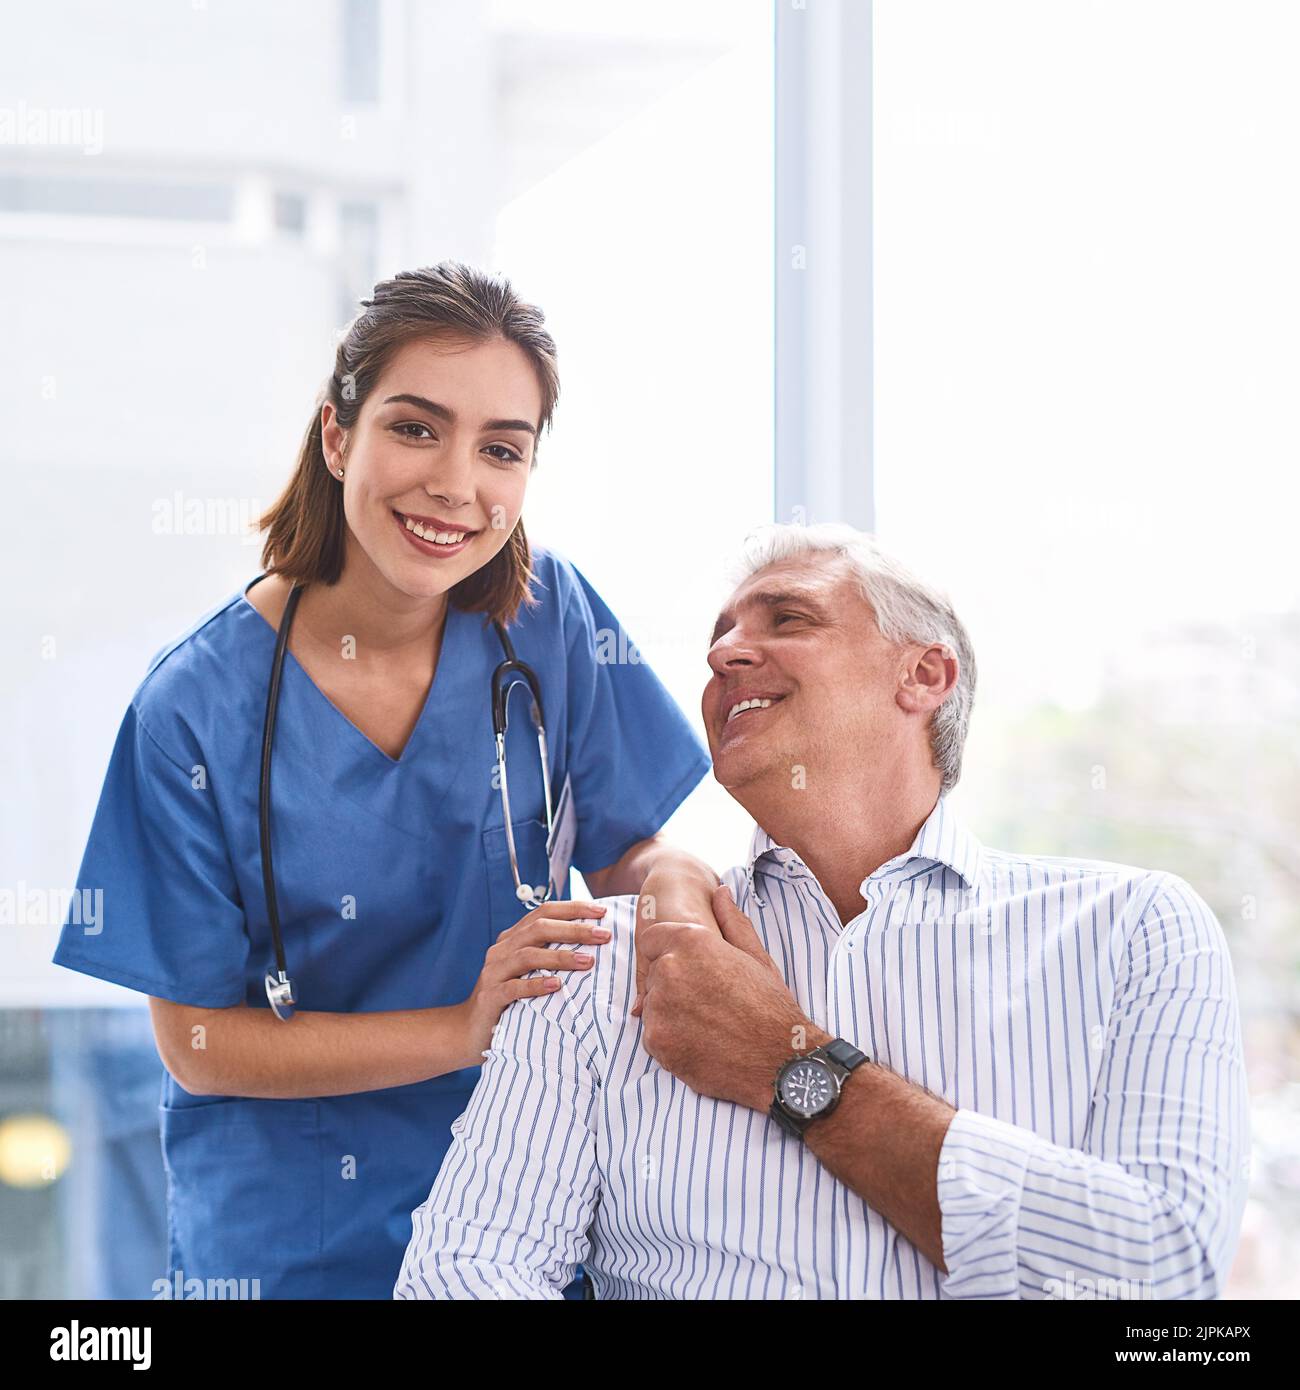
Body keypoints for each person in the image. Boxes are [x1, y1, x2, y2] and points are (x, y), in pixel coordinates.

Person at [52, 262, 721, 1299]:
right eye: (415, 428)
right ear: (336, 437)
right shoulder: (193, 706)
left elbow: (630, 844)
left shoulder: (548, 617)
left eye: (501, 448)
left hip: (530, 1206)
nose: (458, 482)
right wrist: (463, 1026)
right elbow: (194, 1041)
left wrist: (672, 887)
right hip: (292, 1242)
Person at [395, 522, 1250, 1300]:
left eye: (788, 620)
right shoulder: (601, 962)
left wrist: (786, 1062)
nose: (727, 652)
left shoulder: (1135, 932)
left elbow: (1164, 1279)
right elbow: (463, 1276)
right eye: (719, 637)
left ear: (925, 674)